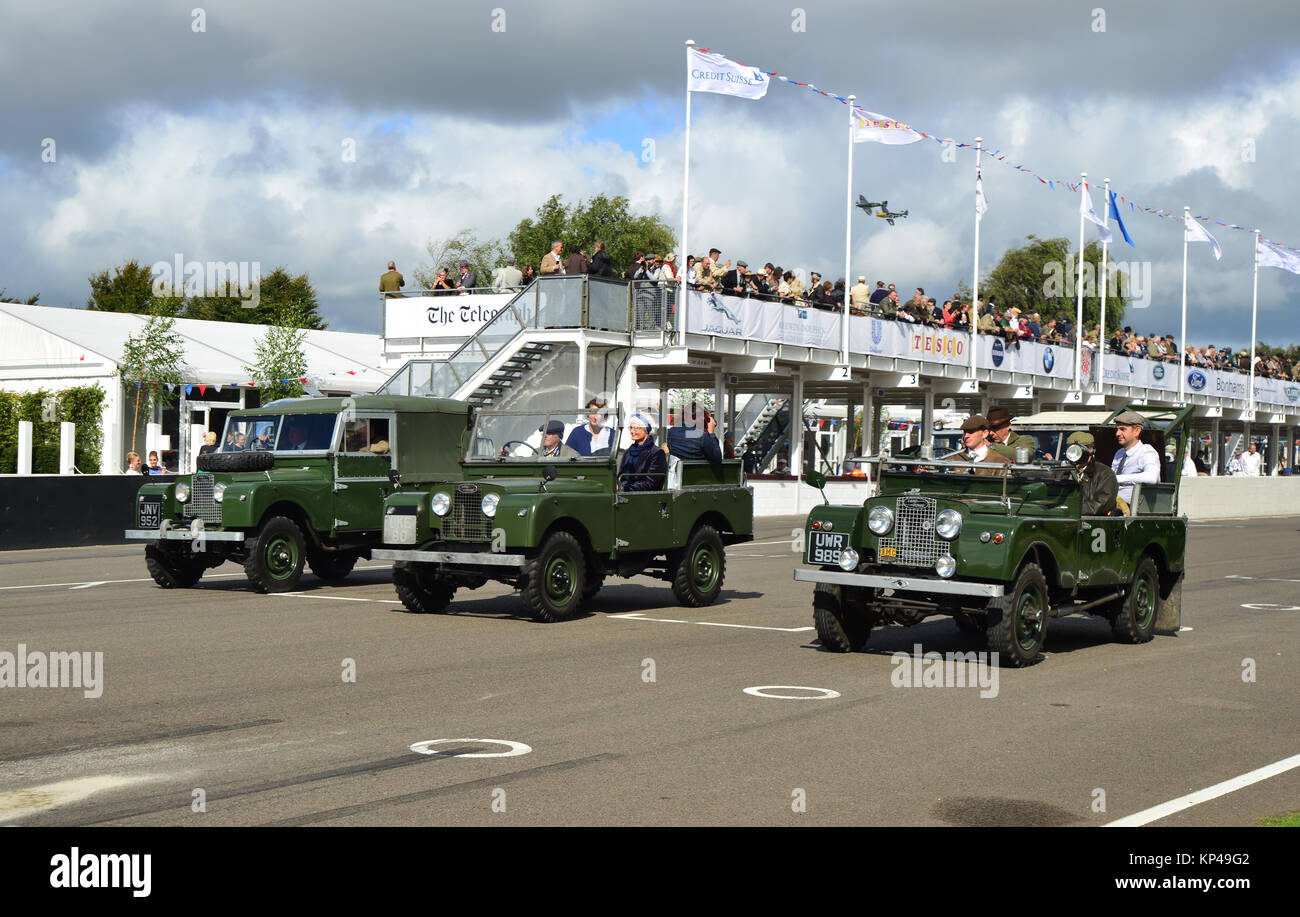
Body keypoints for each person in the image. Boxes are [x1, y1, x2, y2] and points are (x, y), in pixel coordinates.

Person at [1110, 410, 1160, 505]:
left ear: (1137, 431)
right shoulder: (1119, 453)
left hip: (1134, 510)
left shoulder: (1146, 452)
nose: (1117, 433)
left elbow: (1152, 477)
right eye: (1117, 429)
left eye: (1122, 429)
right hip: (1114, 505)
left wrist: (1117, 479)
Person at [1066, 432, 1122, 516]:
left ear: (1091, 450)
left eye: (1081, 449)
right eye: (1073, 449)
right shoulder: (1064, 472)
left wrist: (1070, 509)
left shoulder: (1105, 473)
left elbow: (1101, 504)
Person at [946, 415, 1012, 475]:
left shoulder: (1001, 462)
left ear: (985, 434)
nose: (966, 435)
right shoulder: (951, 460)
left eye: (971, 432)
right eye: (965, 432)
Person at [618, 414, 667, 491]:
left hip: (644, 498)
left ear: (646, 430)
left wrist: (625, 488)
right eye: (630, 427)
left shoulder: (657, 453)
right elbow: (620, 476)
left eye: (636, 428)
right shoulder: (628, 452)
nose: (631, 431)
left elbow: (651, 483)